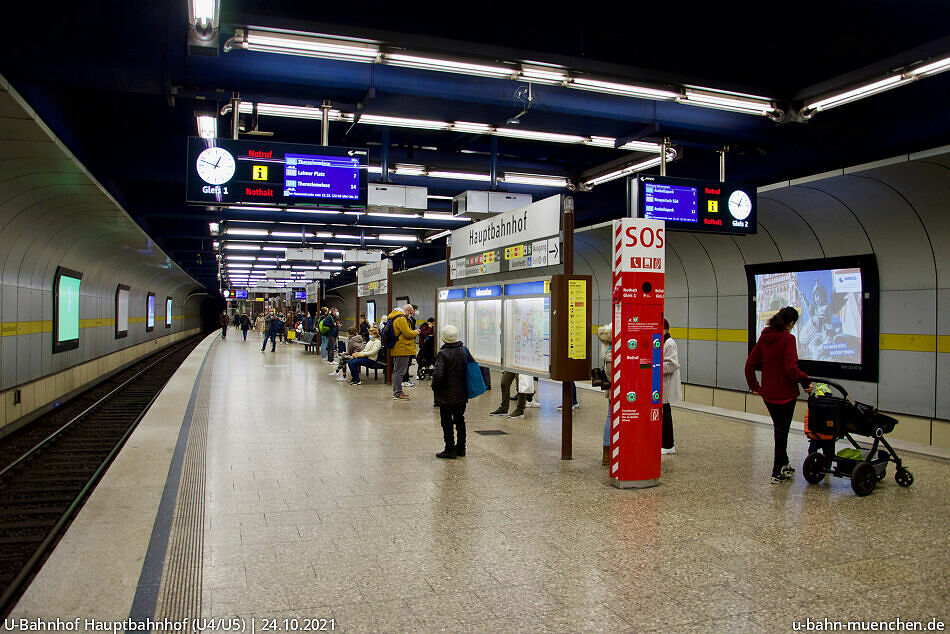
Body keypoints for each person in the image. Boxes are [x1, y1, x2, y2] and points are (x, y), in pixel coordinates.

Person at [745, 306, 814, 484]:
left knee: (780, 429)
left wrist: (755, 386)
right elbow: (791, 369)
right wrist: (805, 381)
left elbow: (749, 364)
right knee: (781, 432)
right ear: (791, 322)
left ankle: (785, 464)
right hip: (785, 395)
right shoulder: (788, 339)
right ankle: (777, 471)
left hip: (768, 394)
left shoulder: (765, 337)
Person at [430, 324, 473, 459]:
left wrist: (434, 386)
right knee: (460, 419)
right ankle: (461, 448)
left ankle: (449, 449)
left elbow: (438, 374)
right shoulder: (464, 351)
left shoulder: (443, 353)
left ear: (443, 337)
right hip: (461, 392)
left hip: (446, 394)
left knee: (447, 421)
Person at [388, 304, 421, 400]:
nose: (410, 315)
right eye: (410, 313)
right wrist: (416, 332)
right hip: (402, 348)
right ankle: (398, 393)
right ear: (407, 311)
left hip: (398, 348)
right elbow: (407, 333)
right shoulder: (401, 319)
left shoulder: (395, 317)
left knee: (397, 371)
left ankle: (397, 391)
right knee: (400, 372)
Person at [661, 319, 682, 455]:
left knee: (666, 413)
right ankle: (663, 443)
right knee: (663, 413)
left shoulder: (670, 343)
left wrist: (655, 366)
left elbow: (672, 364)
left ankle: (669, 445)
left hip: (667, 384)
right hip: (661, 384)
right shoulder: (661, 342)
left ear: (666, 329)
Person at [598, 325, 613, 466]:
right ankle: (607, 452)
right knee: (611, 416)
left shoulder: (607, 346)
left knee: (611, 416)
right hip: (618, 389)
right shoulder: (613, 350)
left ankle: (607, 452)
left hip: (612, 388)